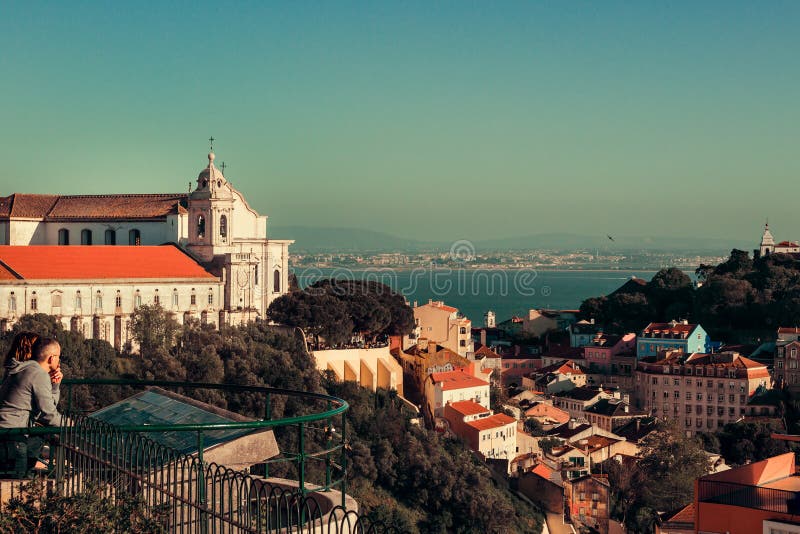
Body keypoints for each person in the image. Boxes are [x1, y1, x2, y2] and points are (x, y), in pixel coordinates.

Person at [0, 336, 63, 477]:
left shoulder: (24, 369)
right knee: (15, 488)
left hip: (7, 433)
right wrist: (72, 425)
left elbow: (47, 407)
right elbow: (49, 414)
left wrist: (55, 386)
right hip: (12, 437)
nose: (59, 361)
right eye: (58, 357)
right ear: (51, 358)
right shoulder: (38, 374)